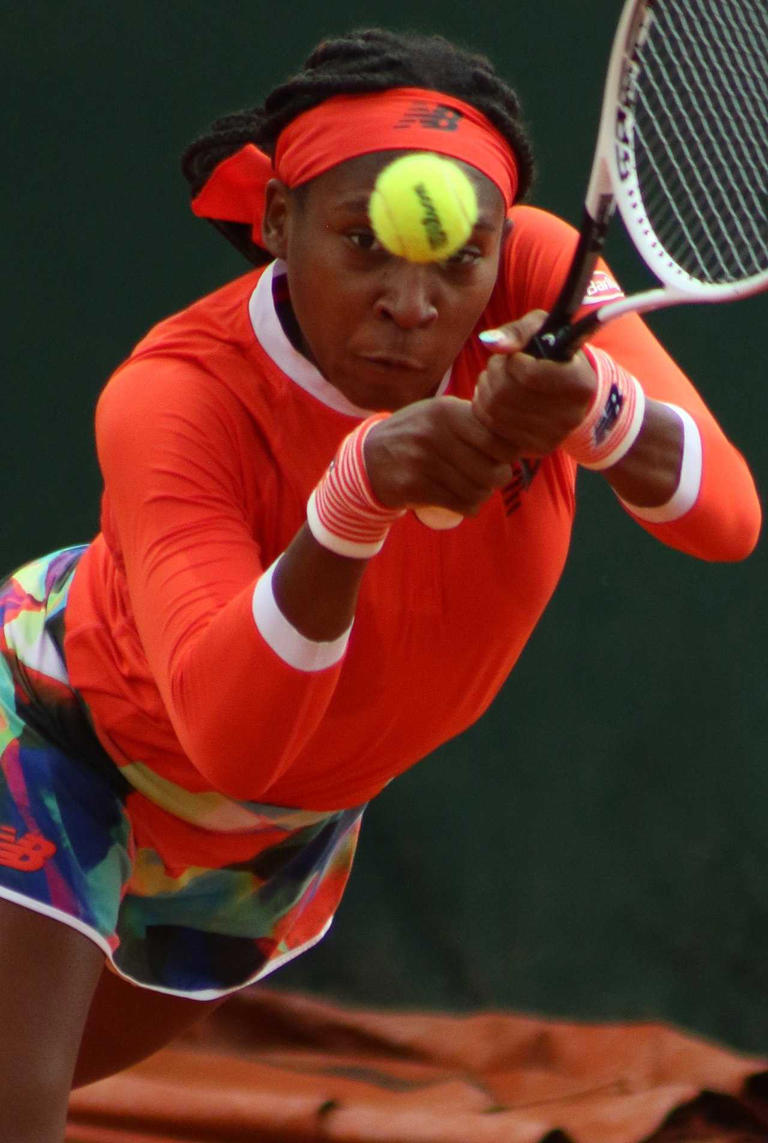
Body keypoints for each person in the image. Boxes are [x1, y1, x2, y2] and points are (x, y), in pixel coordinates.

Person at [0, 27, 760, 1140]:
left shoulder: (541, 278)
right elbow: (236, 738)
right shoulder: (175, 396)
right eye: (364, 243)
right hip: (64, 734)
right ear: (275, 224)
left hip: (276, 836)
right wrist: (354, 499)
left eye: (459, 259)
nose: (412, 301)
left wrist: (597, 405)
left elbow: (728, 519)